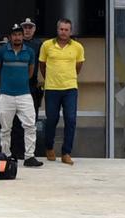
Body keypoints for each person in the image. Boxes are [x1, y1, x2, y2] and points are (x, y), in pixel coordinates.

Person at [0, 24, 41, 168]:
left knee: (30, 125)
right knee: (5, 128)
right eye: (14, 35)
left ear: (22, 36)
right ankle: (6, 155)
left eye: (20, 34)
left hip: (24, 94)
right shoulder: (2, 51)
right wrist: (0, 86)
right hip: (6, 95)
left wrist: (20, 82)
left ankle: (29, 157)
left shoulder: (30, 52)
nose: (17, 37)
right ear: (10, 37)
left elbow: (31, 72)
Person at [39, 18, 84, 164]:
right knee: (52, 120)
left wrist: (68, 77)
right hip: (52, 88)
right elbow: (42, 65)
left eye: (66, 30)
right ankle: (49, 147)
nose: (63, 32)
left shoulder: (78, 47)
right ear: (57, 30)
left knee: (70, 120)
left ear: (70, 31)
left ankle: (66, 153)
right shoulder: (46, 45)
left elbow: (78, 66)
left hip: (70, 88)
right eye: (61, 29)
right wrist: (50, 79)